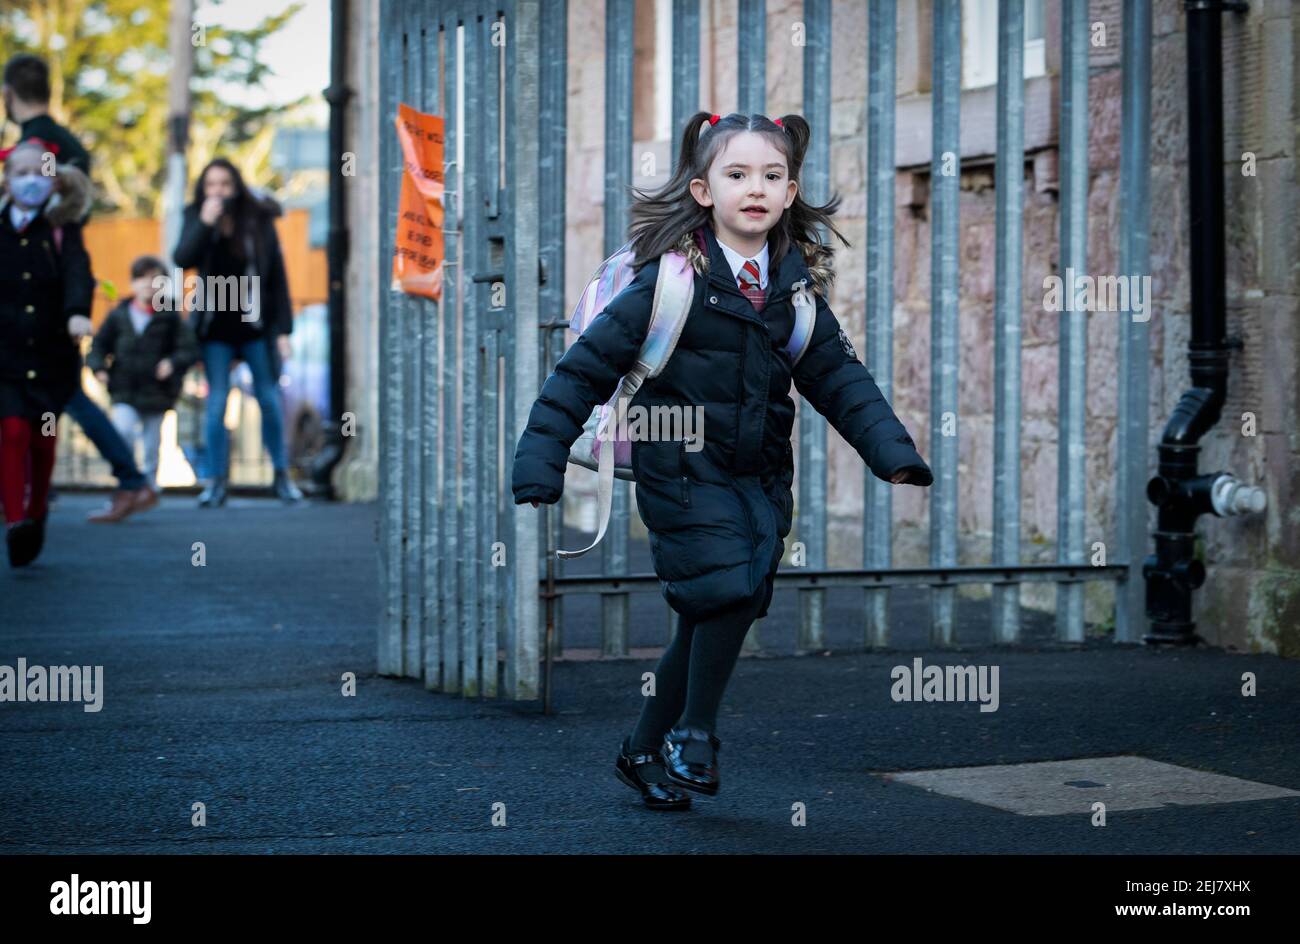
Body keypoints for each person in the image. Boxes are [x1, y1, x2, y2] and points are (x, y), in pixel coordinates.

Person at [511, 112, 934, 810]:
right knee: (730, 590)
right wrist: (541, 459)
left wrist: (893, 454)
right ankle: (694, 736)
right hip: (677, 468)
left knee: (720, 605)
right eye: (738, 175)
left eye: (771, 175)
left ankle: (643, 748)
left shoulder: (795, 292)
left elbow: (838, 377)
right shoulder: (670, 282)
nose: (756, 188)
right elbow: (581, 372)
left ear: (791, 190)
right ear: (705, 190)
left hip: (760, 474)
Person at [2, 53, 156, 523]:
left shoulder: (38, 145)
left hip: (42, 314)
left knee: (61, 399)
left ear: (9, 95)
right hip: (37, 314)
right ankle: (36, 495)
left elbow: (68, 223)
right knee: (51, 404)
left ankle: (128, 479)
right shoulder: (66, 142)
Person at [172, 157, 302, 506]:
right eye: (211, 185)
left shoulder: (257, 219)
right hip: (216, 328)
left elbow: (276, 274)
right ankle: (215, 481)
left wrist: (284, 330)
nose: (218, 192)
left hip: (255, 325)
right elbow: (182, 258)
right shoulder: (195, 215)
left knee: (269, 399)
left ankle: (281, 476)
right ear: (203, 189)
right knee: (216, 404)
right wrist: (204, 223)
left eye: (225, 184)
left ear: (236, 186)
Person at [0, 140, 96, 566]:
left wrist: (77, 314)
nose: (30, 181)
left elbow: (79, 274)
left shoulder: (61, 229)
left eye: (39, 173)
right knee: (12, 431)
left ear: (55, 181)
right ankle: (16, 520)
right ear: (6, 179)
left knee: (42, 436)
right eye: (20, 172)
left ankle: (37, 510)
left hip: (50, 356)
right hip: (5, 355)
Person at [87, 255, 199, 495]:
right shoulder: (119, 315)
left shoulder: (169, 316)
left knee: (152, 444)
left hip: (157, 392)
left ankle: (147, 488)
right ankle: (127, 481)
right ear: (133, 283)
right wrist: (99, 368)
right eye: (143, 279)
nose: (148, 285)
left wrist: (172, 362)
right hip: (124, 388)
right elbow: (98, 345)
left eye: (155, 280)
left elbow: (188, 348)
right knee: (122, 431)